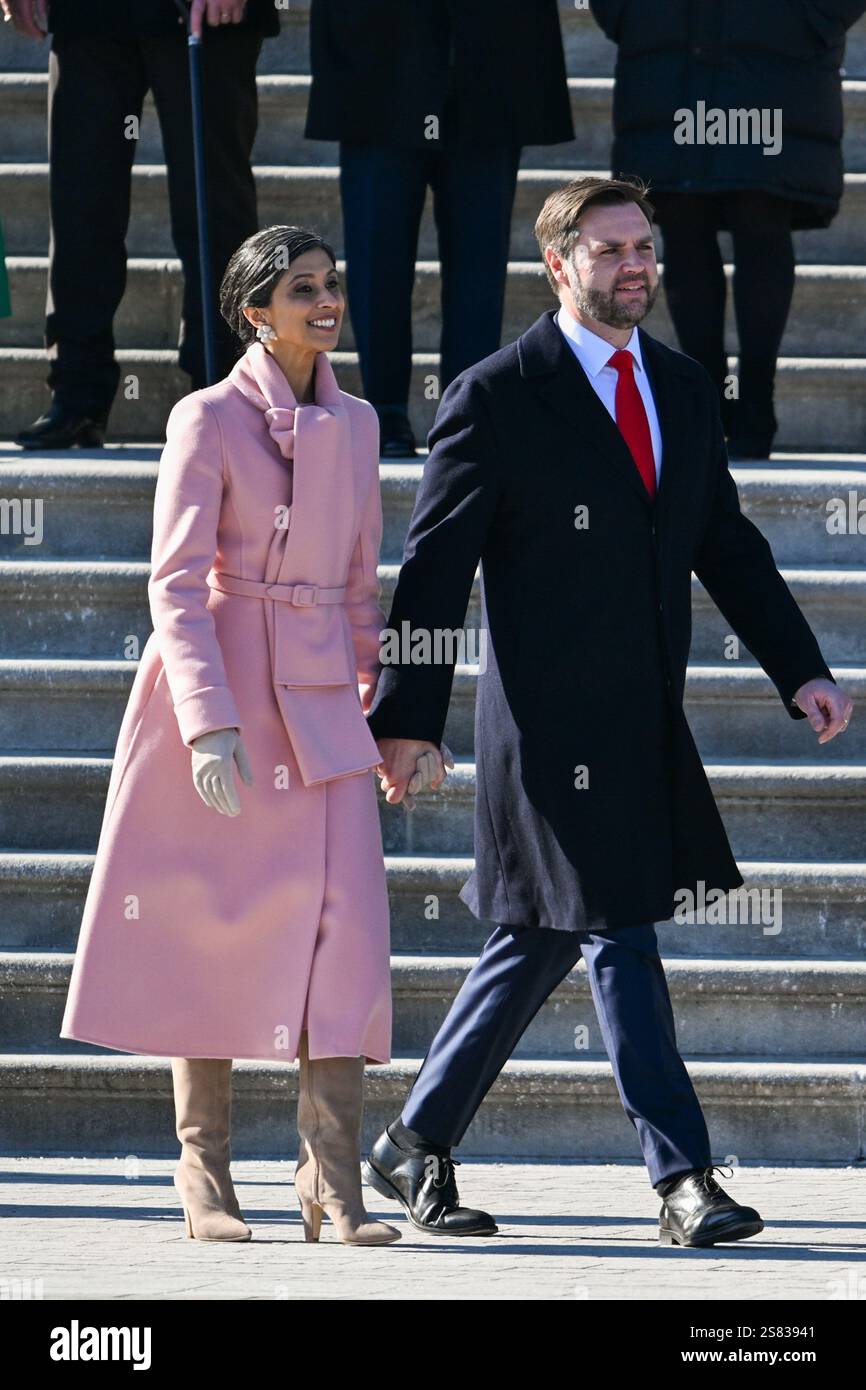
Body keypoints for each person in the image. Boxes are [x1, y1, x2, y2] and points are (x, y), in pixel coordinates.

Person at [363, 176, 854, 1247]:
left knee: (538, 938)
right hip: (541, 730)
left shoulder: (677, 385)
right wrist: (407, 717)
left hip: (640, 717)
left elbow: (723, 540)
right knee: (616, 930)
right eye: (608, 250)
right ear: (556, 265)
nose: (635, 265)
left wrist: (797, 668)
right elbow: (434, 568)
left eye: (642, 247)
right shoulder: (497, 394)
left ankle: (411, 1141)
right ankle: (681, 1178)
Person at [58, 225, 437, 1246]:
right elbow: (175, 586)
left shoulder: (357, 424)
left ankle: (331, 1185)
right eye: (301, 288)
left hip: (319, 702)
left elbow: (361, 586)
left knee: (345, 938)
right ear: (252, 312)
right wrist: (207, 724)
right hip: (221, 692)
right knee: (206, 928)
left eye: (332, 283)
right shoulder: (205, 416)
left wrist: (385, 715)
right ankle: (205, 1176)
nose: (325, 300)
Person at [590, 0, 866, 458]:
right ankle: (708, 410)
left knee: (760, 214)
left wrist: (816, 14)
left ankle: (754, 406)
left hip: (776, 47)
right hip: (670, 44)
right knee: (684, 220)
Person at [304, 0, 574, 455]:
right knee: (377, 260)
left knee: (479, 267)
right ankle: (385, 413)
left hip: (491, 60)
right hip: (376, 61)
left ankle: (465, 415)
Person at [11, 0, 279, 450]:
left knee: (214, 205)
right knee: (81, 202)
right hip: (89, 18)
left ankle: (222, 389)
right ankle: (77, 394)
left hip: (204, 16)